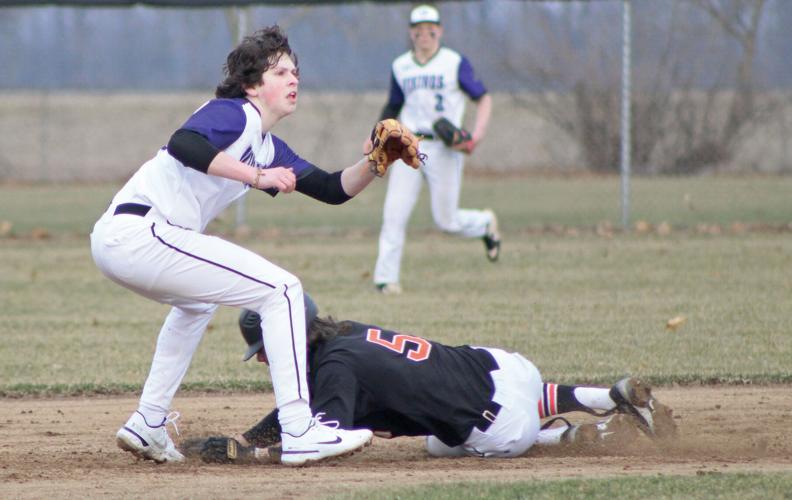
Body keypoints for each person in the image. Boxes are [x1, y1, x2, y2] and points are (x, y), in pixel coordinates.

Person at [89, 25, 399, 466]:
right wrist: (257, 178)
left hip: (129, 238)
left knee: (196, 306)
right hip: (143, 232)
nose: (293, 79)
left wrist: (374, 162)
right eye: (280, 72)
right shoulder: (236, 113)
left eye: (295, 71)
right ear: (253, 85)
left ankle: (148, 423)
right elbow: (184, 143)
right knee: (283, 291)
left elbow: (332, 189)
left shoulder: (267, 146)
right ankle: (299, 429)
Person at [183, 307, 676, 463]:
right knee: (503, 389)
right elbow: (302, 406)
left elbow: (315, 439)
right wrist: (247, 436)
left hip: (503, 426)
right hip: (502, 365)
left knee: (440, 446)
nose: (265, 361)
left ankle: (585, 436)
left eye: (265, 350)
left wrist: (248, 454)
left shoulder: (334, 371)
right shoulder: (343, 333)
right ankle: (605, 396)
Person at [371, 4, 499, 295]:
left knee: (447, 221)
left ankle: (484, 223)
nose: (424, 35)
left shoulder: (454, 62)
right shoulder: (401, 65)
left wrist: (477, 134)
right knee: (394, 213)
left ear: (439, 31)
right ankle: (385, 280)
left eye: (430, 29)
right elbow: (393, 106)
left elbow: (484, 98)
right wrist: (374, 136)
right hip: (408, 144)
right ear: (411, 33)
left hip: (444, 148)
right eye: (418, 30)